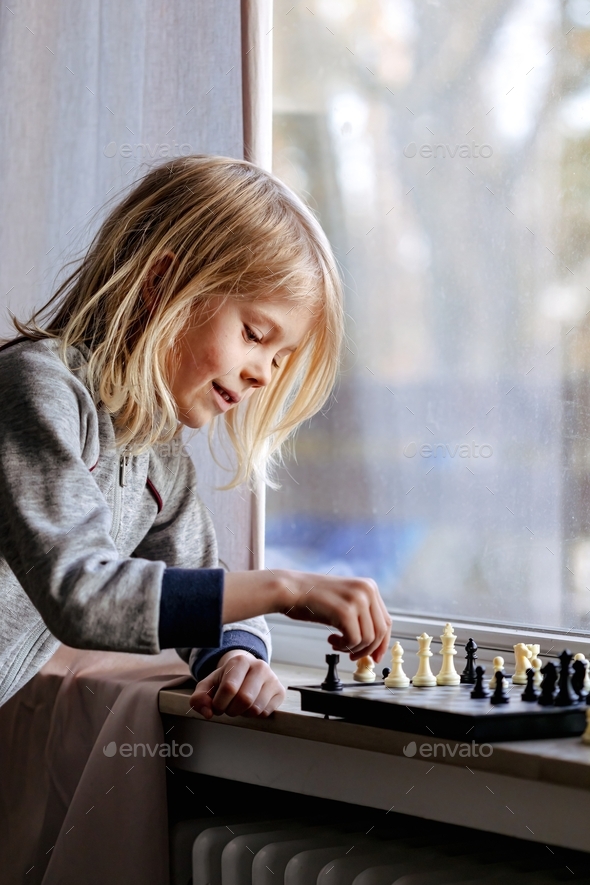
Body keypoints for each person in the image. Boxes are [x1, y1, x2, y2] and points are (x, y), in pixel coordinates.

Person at [0, 155, 391, 720]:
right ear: (161, 284)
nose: (264, 373)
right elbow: (84, 597)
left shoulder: (156, 458)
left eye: (281, 359)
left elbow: (203, 590)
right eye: (256, 335)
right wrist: (283, 587)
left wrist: (236, 656)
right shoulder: (36, 393)